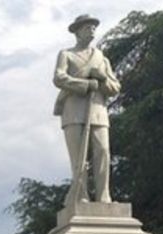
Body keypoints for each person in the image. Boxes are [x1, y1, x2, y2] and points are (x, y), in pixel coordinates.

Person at [53, 14, 121, 205]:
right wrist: (85, 84)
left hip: (98, 109)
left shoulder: (101, 58)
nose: (91, 29)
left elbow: (115, 87)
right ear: (77, 31)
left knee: (103, 151)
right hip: (73, 109)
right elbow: (59, 78)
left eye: (93, 27)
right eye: (87, 27)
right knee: (78, 155)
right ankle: (81, 194)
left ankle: (103, 194)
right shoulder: (66, 54)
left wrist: (102, 79)